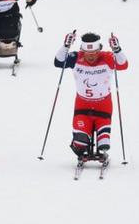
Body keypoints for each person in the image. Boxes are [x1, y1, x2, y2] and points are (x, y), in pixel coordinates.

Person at [54, 32, 128, 161]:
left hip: (103, 105)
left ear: (99, 50)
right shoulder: (76, 57)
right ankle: (81, 147)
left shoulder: (107, 57)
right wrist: (66, 46)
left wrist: (117, 49)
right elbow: (58, 62)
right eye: (88, 54)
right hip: (82, 105)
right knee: (80, 144)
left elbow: (123, 65)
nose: (91, 56)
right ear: (83, 51)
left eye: (94, 53)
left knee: (104, 143)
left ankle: (101, 147)